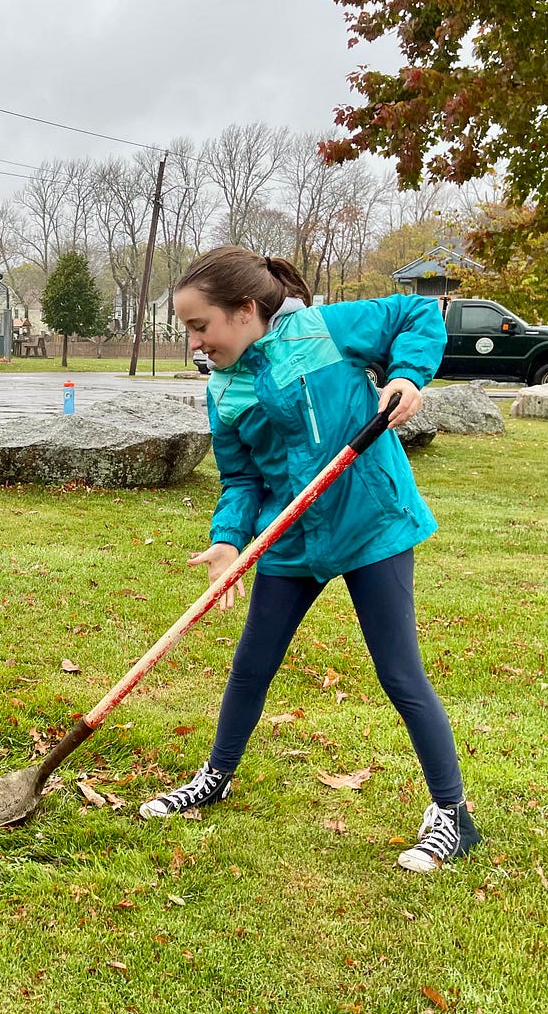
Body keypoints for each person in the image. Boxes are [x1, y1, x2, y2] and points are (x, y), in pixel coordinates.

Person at [137, 246, 480, 873]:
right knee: (251, 665)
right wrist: (227, 540)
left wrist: (407, 377)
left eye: (199, 324)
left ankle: (452, 814)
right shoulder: (223, 387)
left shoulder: (326, 330)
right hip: (289, 537)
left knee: (399, 674)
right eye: (187, 328)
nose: (194, 340)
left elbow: (417, 313)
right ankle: (216, 776)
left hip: (369, 522)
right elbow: (240, 480)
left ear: (244, 310)